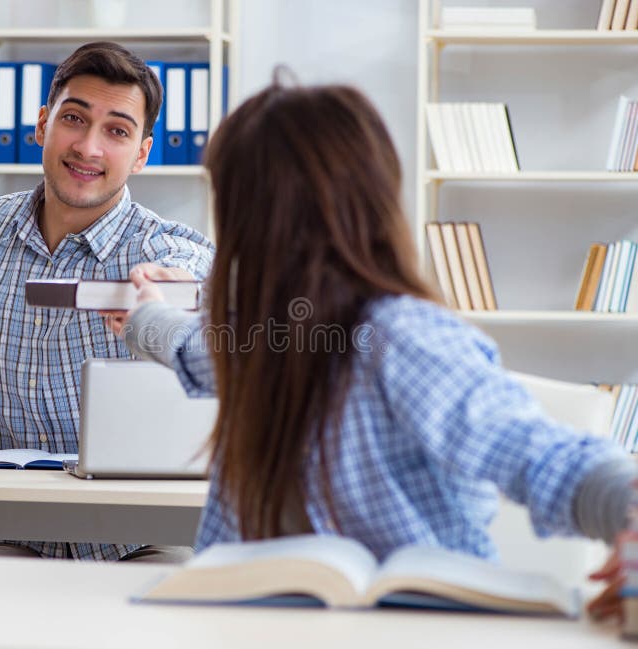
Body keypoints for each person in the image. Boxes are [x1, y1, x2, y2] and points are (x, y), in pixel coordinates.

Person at [110, 76, 637, 589]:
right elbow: (195, 348)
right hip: (260, 620)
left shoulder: (402, 335)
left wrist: (628, 513)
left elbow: (535, 452)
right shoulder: (265, 335)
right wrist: (144, 319)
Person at [0, 41, 214, 561]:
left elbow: (202, 292)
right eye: (74, 119)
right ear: (41, 124)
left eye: (117, 131)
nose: (89, 148)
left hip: (133, 536)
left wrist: (180, 301)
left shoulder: (168, 249)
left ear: (142, 154)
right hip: (2, 528)